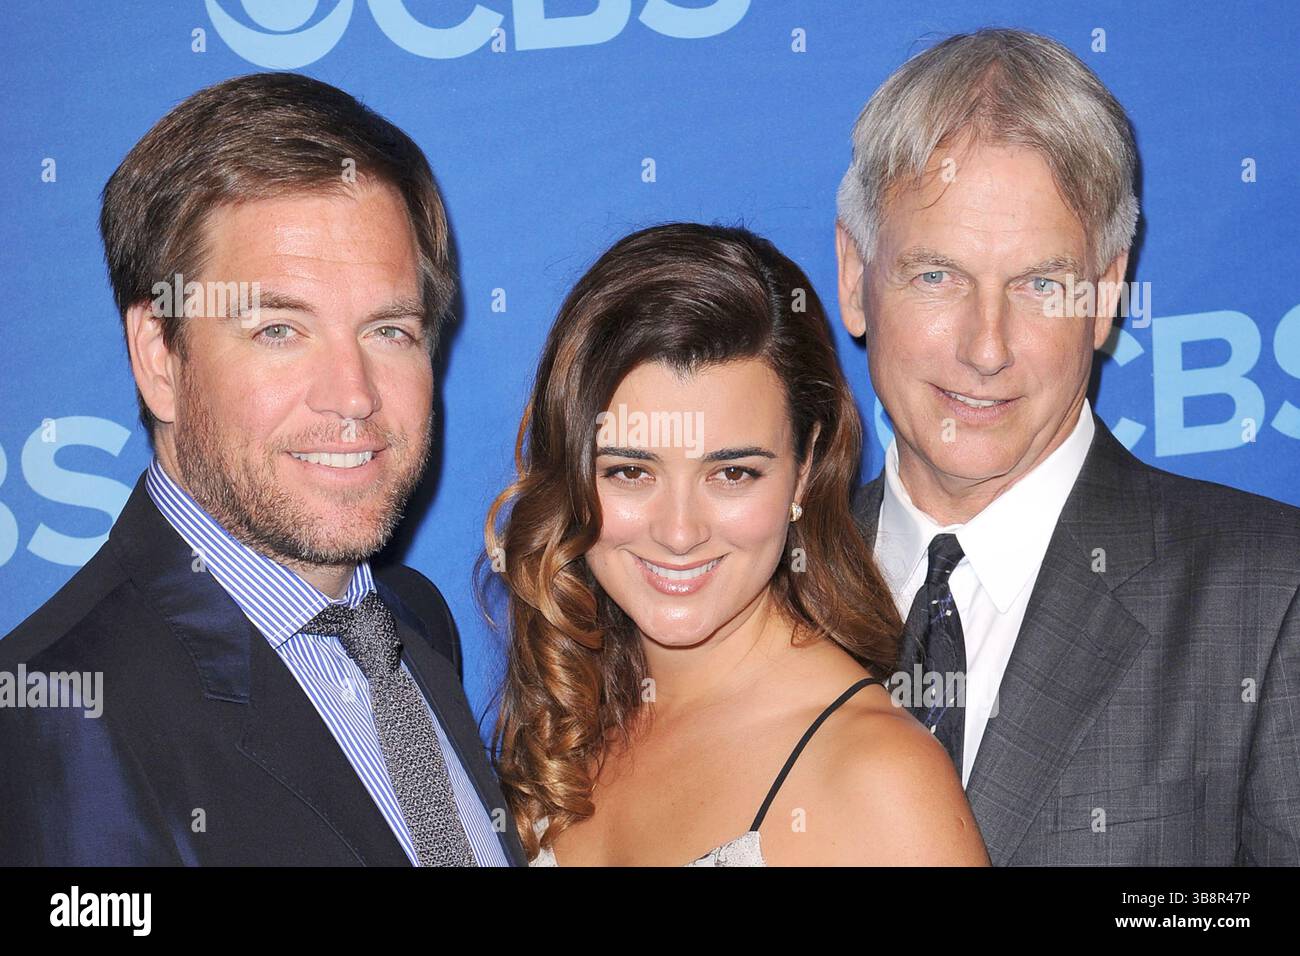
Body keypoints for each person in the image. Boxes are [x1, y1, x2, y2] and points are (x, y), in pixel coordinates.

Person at [0, 73, 524, 866]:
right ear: (159, 358)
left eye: (389, 330)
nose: (353, 398)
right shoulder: (52, 722)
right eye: (279, 329)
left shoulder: (410, 624)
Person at [835, 27, 1300, 864]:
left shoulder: (1271, 600)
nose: (986, 347)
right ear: (854, 276)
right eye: (937, 275)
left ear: (1108, 292)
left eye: (1039, 284)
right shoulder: (762, 598)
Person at [484, 222, 990, 866]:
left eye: (732, 474)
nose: (678, 532)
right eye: (630, 472)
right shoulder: (565, 725)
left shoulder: (878, 779)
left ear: (805, 467)